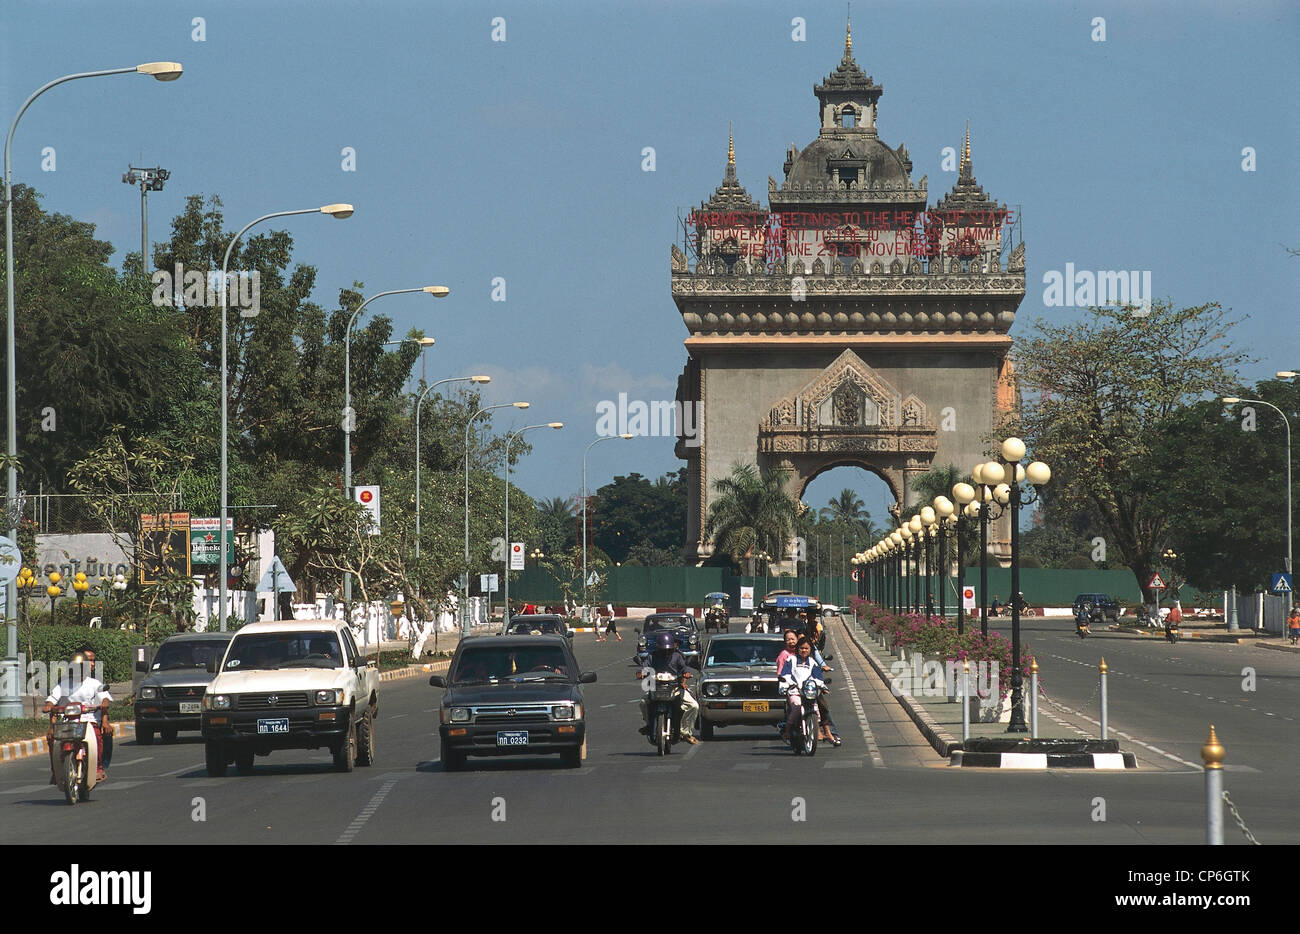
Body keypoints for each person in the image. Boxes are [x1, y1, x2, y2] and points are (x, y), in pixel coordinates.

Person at [43, 646, 112, 784]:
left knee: (97, 738)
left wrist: (104, 704)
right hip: (67, 721)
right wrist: (49, 706)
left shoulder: (94, 683)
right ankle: (55, 772)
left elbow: (104, 698)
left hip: (89, 720)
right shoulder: (63, 684)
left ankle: (98, 768)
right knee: (52, 740)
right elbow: (52, 700)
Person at [635, 630, 699, 744]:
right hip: (656, 688)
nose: (666, 652)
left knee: (693, 706)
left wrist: (686, 674)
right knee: (643, 703)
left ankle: (685, 732)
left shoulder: (677, 656)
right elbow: (643, 667)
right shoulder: (652, 656)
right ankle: (649, 725)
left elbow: (685, 668)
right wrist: (640, 672)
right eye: (663, 649)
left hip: (675, 688)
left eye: (668, 649)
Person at [778, 637, 826, 744]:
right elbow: (785, 675)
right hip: (794, 691)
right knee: (796, 708)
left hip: (808, 692)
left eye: (806, 648)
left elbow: (818, 678)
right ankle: (787, 731)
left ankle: (817, 730)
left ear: (810, 650)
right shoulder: (791, 660)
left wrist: (821, 686)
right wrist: (787, 685)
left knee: (815, 708)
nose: (804, 650)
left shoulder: (813, 662)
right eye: (801, 648)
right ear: (797, 649)